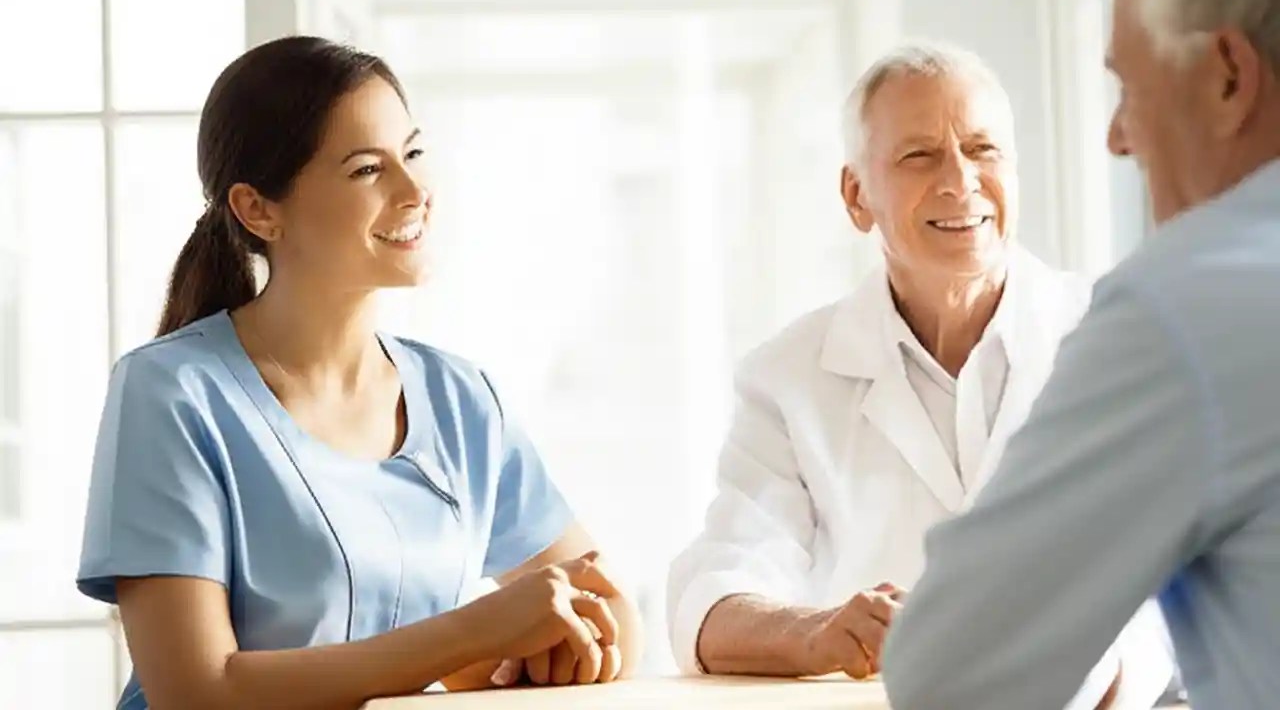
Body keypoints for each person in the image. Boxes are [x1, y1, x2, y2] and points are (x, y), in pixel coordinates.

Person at [76, 36, 641, 710]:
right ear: (258, 209)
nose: (415, 190)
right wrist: (470, 635)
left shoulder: (462, 400)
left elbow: (602, 605)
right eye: (367, 169)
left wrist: (555, 652)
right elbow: (196, 689)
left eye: (413, 154)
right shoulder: (171, 393)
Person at [666, 42, 1172, 708]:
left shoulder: (1126, 341)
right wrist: (818, 632)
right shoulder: (786, 379)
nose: (960, 182)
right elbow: (712, 600)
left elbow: (1201, 570)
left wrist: (1109, 661)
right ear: (857, 195)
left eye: (984, 150)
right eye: (919, 156)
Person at [881, 0, 1280, 708]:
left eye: (1130, 86)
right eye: (918, 155)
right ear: (858, 197)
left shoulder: (1185, 304)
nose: (1117, 138)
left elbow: (950, 671)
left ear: (1228, 75)